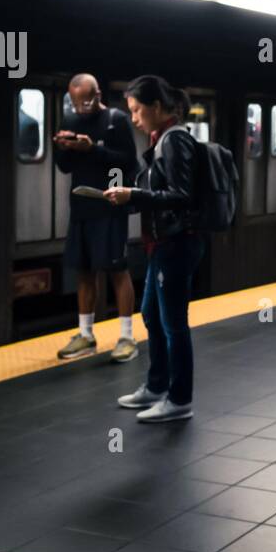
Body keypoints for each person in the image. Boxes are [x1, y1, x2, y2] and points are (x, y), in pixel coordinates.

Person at [106, 75, 206, 423]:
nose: (133, 118)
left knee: (174, 323)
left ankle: (179, 399)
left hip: (177, 243)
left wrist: (135, 196)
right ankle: (156, 385)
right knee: (151, 315)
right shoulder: (160, 139)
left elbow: (182, 195)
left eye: (136, 110)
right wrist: (133, 197)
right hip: (161, 244)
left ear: (157, 107)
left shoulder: (174, 140)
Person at [53, 73, 140, 363]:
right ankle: (85, 335)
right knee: (84, 270)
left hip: (110, 206)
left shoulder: (116, 120)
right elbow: (64, 167)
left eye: (87, 100)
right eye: (76, 102)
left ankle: (127, 337)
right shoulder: (71, 121)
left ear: (99, 94)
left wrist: (94, 149)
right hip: (81, 206)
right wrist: (64, 147)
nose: (82, 107)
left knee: (117, 269)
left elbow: (129, 161)